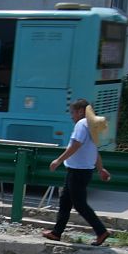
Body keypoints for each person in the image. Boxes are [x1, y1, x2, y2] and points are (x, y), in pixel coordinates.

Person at [43, 99, 111, 245]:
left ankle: (101, 231)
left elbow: (76, 144)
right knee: (65, 202)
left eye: (72, 112)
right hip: (80, 171)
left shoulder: (81, 124)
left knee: (80, 204)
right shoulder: (91, 126)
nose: (72, 116)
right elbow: (94, 151)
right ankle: (56, 233)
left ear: (80, 111)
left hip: (78, 172)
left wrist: (58, 160)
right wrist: (100, 168)